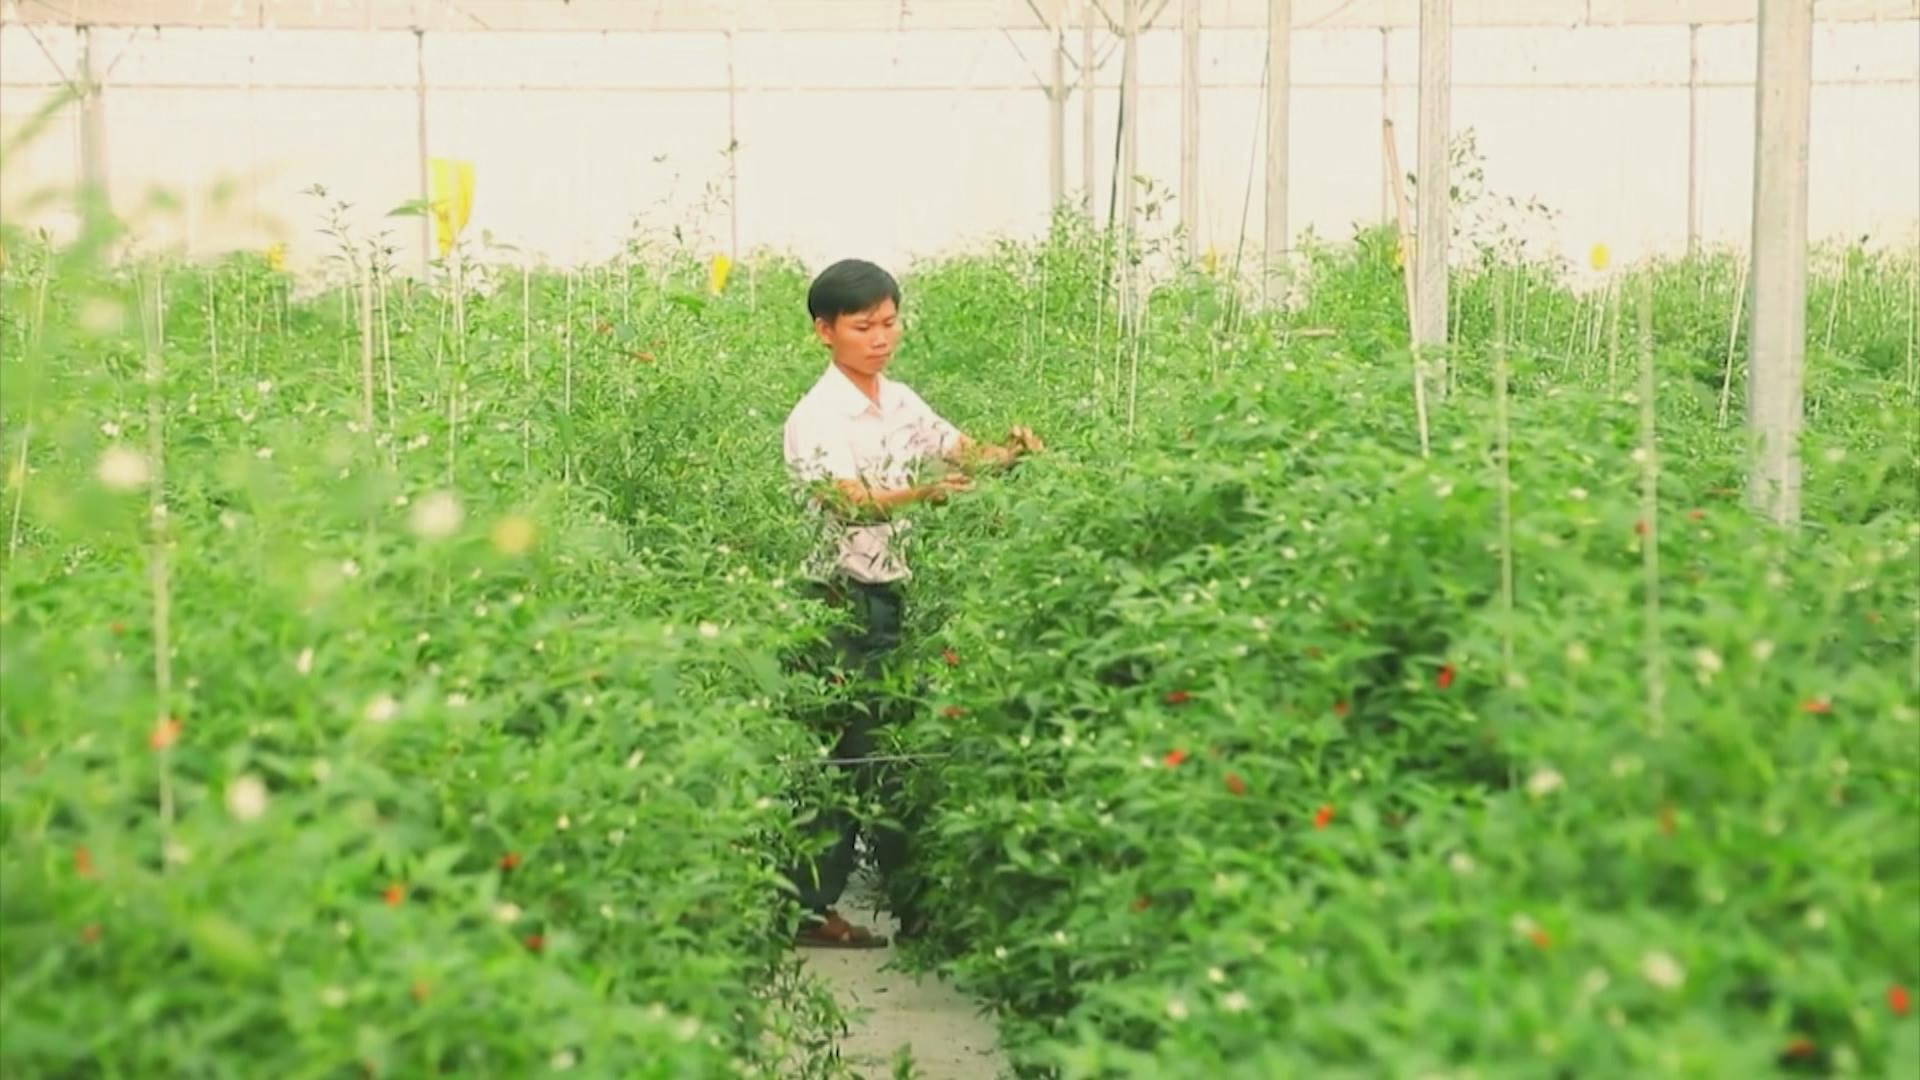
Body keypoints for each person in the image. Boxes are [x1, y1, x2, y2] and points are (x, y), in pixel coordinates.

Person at [779, 258, 1043, 949]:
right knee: (857, 751)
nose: (880, 337)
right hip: (836, 601)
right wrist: (918, 496)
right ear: (824, 332)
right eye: (863, 326)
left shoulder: (901, 402)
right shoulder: (817, 416)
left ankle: (906, 905)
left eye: (889, 322)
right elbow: (841, 499)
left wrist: (1009, 454)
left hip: (887, 596)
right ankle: (825, 907)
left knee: (889, 748)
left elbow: (960, 453)